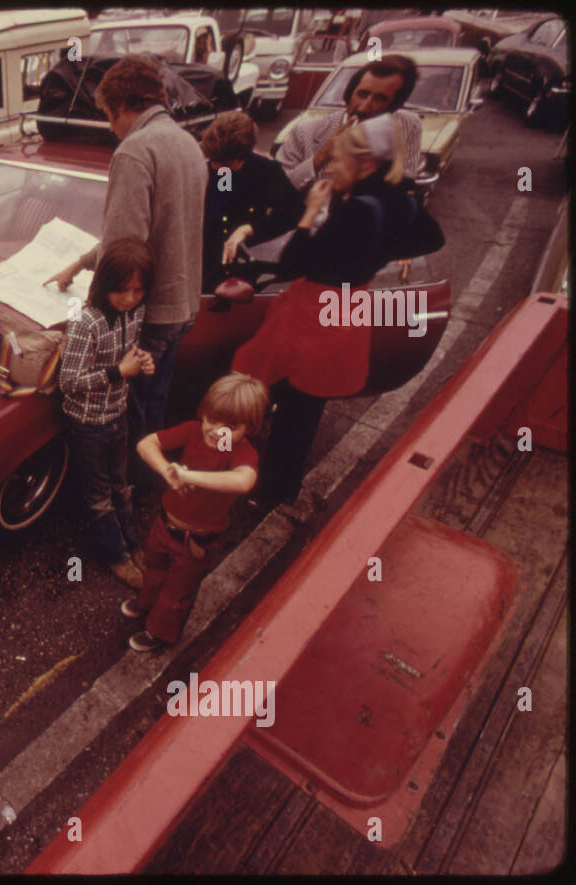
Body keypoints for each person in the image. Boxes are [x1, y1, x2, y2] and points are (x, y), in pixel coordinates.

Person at [232, 113, 420, 510]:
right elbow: (430, 236)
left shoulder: (354, 210)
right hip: (347, 306)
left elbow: (292, 262)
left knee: (290, 405)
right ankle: (279, 486)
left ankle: (272, 490)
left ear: (366, 165)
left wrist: (309, 213)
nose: (330, 167)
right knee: (305, 404)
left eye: (339, 160)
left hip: (317, 310)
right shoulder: (388, 201)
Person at [45, 54, 207, 445]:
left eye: (108, 116)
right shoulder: (188, 142)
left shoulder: (136, 151)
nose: (111, 128)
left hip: (147, 312)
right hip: (184, 303)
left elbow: (124, 250)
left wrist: (89, 318)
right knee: (156, 400)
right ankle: (150, 473)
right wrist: (80, 263)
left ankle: (130, 484)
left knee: (126, 410)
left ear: (120, 105)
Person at [124, 372, 268, 651]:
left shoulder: (241, 453)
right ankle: (146, 603)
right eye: (212, 421)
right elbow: (145, 444)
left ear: (249, 428)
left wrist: (189, 477)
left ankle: (159, 631)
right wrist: (168, 472)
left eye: (231, 427)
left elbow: (244, 480)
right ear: (203, 414)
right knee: (153, 569)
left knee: (177, 593)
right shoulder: (192, 431)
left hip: (195, 542)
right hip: (164, 524)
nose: (217, 432)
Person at [58, 237, 157, 588]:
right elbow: (68, 381)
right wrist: (118, 372)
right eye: (122, 290)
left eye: (138, 290)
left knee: (121, 484)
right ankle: (115, 555)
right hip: (87, 425)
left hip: (117, 416)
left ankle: (132, 543)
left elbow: (132, 351)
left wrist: (142, 360)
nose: (130, 298)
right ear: (104, 285)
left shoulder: (137, 313)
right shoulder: (87, 322)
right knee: (98, 494)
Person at [276, 54, 422, 191]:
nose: (364, 107)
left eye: (380, 99)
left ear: (395, 105)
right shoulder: (305, 132)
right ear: (349, 92)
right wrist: (320, 157)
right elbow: (278, 188)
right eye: (362, 94)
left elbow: (404, 184)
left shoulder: (408, 124)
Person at [200, 111, 303, 286]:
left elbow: (294, 213)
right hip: (204, 263)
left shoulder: (266, 172)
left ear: (243, 157)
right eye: (214, 161)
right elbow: (221, 205)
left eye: (225, 164)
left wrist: (250, 229)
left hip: (246, 267)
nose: (218, 169)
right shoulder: (214, 169)